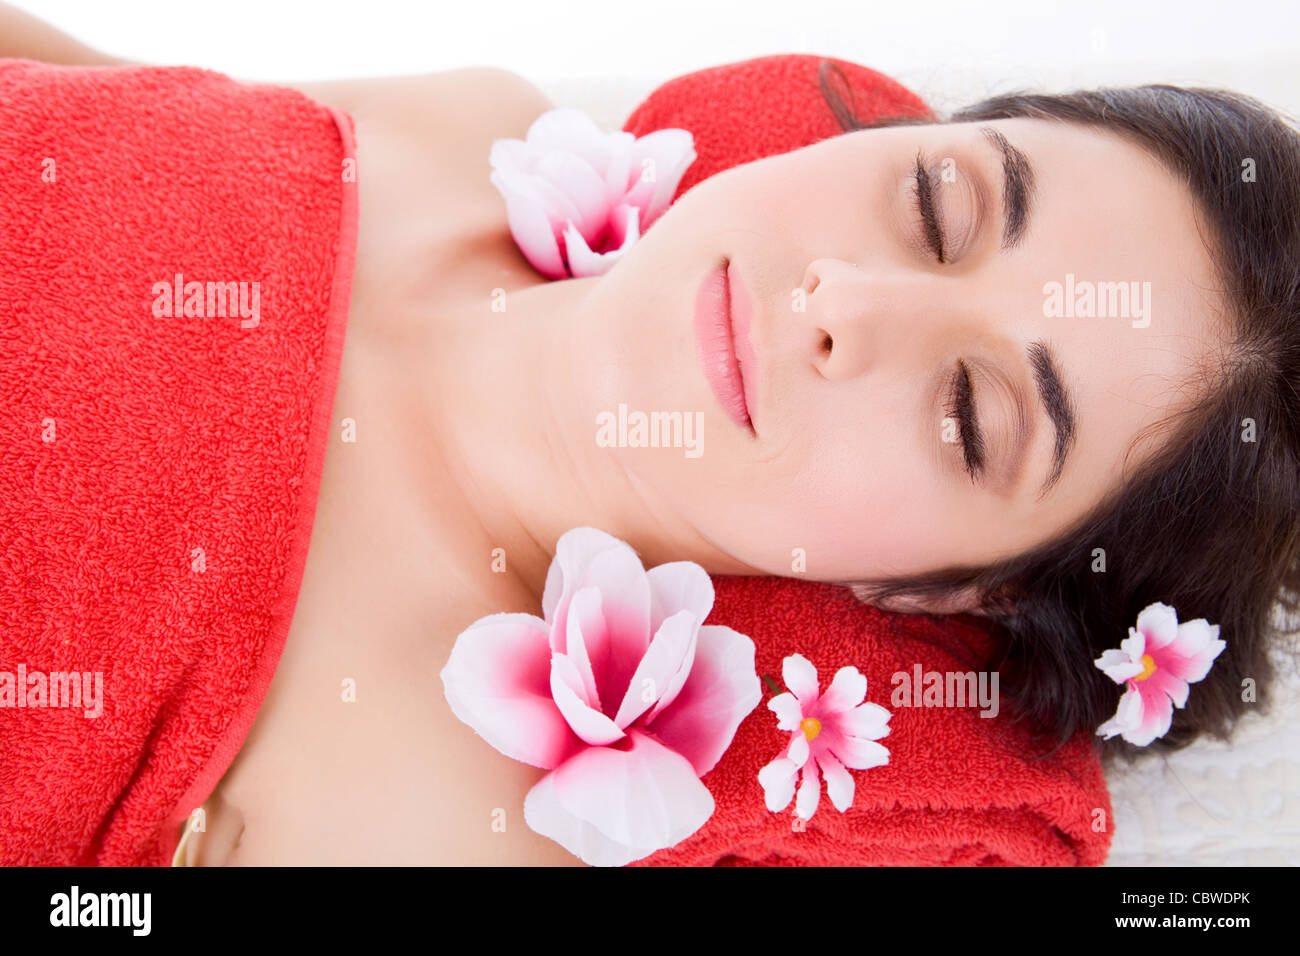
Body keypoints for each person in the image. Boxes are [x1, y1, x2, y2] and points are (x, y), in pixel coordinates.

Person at [3, 4, 1296, 866]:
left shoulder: (429, 812)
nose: (846, 303)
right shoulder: (470, 123)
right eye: (939, 206)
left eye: (969, 413)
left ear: (959, 587)